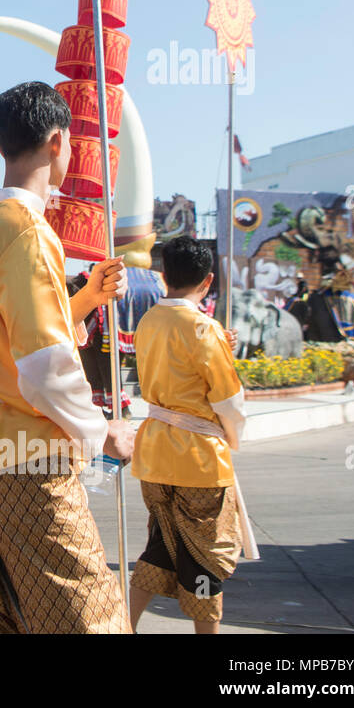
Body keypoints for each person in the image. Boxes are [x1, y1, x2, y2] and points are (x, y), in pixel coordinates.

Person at [0, 81, 133, 634]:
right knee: (86, 618)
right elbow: (44, 362)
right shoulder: (27, 230)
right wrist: (101, 432)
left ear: (2, 145)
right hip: (25, 454)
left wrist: (89, 297)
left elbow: (7, 338)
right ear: (57, 142)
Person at [128, 236, 256, 633]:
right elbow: (229, 401)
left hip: (153, 453)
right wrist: (233, 436)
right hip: (197, 458)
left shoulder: (148, 319)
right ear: (209, 280)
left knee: (161, 547)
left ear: (164, 275)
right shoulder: (205, 327)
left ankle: (122, 626)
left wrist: (218, 340)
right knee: (204, 558)